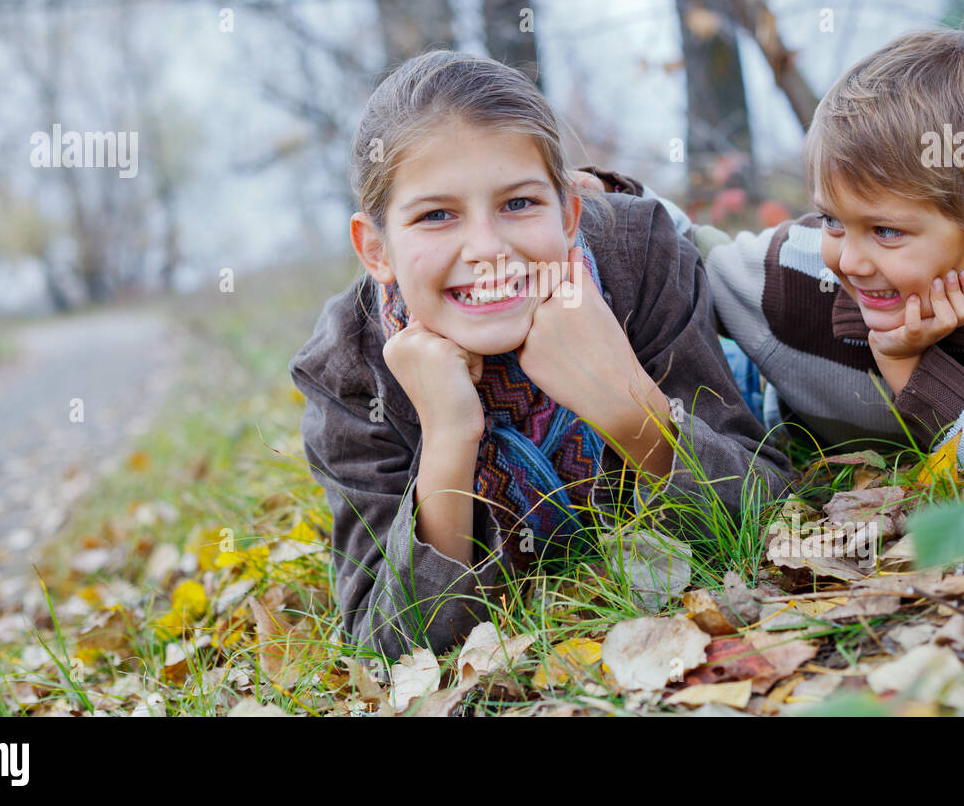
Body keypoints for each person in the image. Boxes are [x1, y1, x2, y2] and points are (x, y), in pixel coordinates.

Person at [288, 51, 793, 661]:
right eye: (436, 215)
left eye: (519, 204)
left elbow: (772, 520)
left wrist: (630, 407)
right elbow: (387, 646)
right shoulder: (346, 369)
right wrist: (448, 440)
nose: (486, 247)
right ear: (376, 250)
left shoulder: (641, 259)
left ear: (569, 209)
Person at [615, 25, 964, 469]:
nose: (849, 261)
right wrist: (608, 192)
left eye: (887, 231)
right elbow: (689, 252)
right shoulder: (800, 266)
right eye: (833, 220)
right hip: (763, 401)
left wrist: (911, 366)